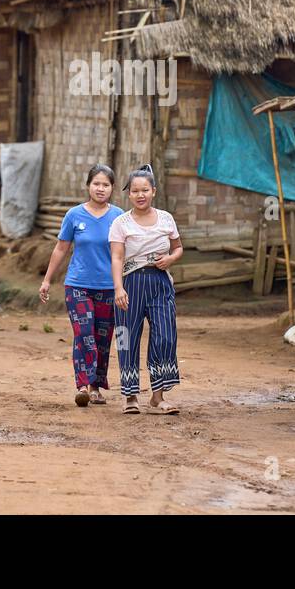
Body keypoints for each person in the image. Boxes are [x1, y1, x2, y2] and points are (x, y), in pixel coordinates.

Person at [40, 165, 124, 406]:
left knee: (103, 337)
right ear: (88, 186)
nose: (100, 188)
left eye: (105, 185)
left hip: (108, 287)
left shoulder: (119, 216)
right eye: (96, 184)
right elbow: (61, 248)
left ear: (112, 188)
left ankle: (97, 386)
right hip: (78, 285)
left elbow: (125, 252)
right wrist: (47, 280)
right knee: (84, 333)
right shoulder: (74, 215)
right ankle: (83, 385)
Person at [109, 165, 183, 415]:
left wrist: (170, 260)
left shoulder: (166, 219)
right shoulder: (121, 223)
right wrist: (118, 288)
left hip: (160, 283)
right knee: (126, 337)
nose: (140, 195)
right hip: (130, 284)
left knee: (165, 335)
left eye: (145, 190)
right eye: (135, 191)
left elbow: (178, 248)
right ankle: (130, 396)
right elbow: (117, 258)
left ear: (154, 191)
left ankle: (158, 396)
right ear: (128, 194)